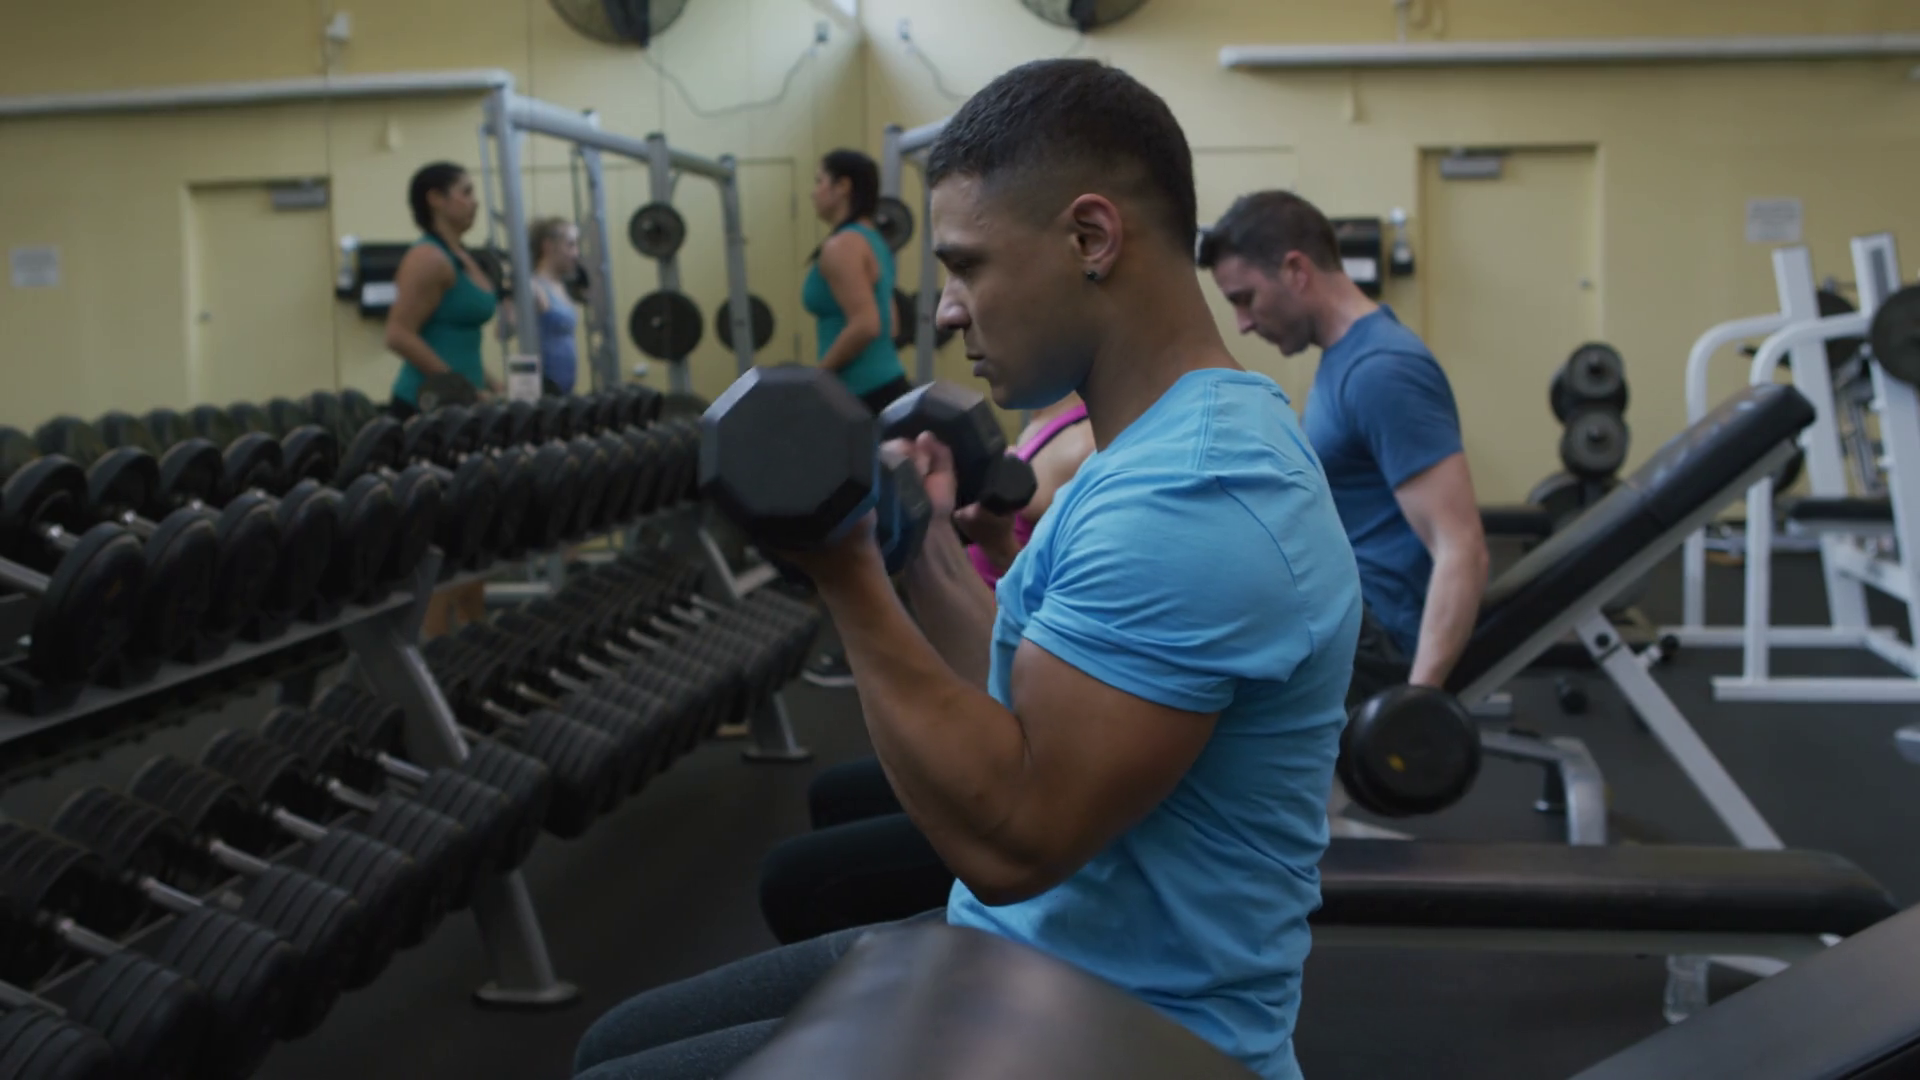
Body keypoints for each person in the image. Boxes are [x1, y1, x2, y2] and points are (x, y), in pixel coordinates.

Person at [572, 58, 1361, 1080]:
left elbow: (1018, 835)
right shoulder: (1148, 447)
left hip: (1128, 1038)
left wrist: (845, 570)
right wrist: (930, 552)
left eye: (967, 265)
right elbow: (1031, 697)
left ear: (1091, 238)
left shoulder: (1195, 496)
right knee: (613, 1045)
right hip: (1026, 968)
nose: (946, 311)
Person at [756, 392, 1095, 945]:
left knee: (792, 877)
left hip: (1055, 918)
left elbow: (1014, 859)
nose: (949, 317)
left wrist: (848, 575)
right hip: (1000, 684)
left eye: (973, 296)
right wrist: (934, 527)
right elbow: (1016, 672)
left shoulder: (1096, 457)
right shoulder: (1060, 437)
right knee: (834, 797)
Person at [1199, 190, 1488, 691]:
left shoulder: (1381, 369)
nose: (1243, 324)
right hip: (1342, 609)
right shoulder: (1344, 358)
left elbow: (1461, 546)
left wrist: (1419, 702)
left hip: (1374, 634)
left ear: (1296, 270)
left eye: (1245, 299)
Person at [801, 149, 911, 688]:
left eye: (819, 180)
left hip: (859, 396)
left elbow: (867, 324)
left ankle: (864, 659)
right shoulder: (873, 241)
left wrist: (816, 378)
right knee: (877, 524)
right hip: (882, 389)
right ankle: (882, 654)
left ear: (842, 186)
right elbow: (889, 319)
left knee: (853, 532)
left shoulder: (842, 246)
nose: (814, 191)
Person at [384, 161, 498, 636]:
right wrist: (466, 390)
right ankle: (433, 659)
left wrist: (494, 387)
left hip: (463, 407)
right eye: (465, 192)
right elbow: (398, 334)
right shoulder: (428, 258)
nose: (474, 200)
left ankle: (475, 645)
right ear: (436, 199)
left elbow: (460, 344)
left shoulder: (462, 256)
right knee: (443, 540)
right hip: (426, 408)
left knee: (473, 533)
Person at [522, 216, 582, 396]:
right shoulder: (533, 286)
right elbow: (502, 331)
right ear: (548, 246)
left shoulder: (561, 286)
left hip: (566, 389)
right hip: (544, 391)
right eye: (570, 245)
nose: (576, 253)